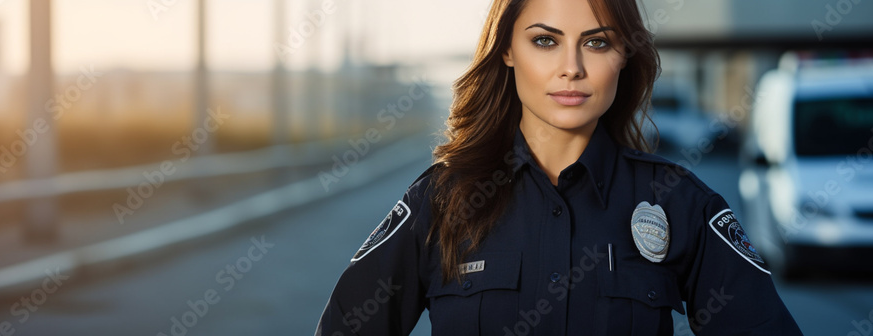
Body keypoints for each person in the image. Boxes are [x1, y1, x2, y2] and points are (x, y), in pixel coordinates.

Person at [316, 0, 803, 334]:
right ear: (507, 50)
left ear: (624, 55)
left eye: (596, 43)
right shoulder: (441, 202)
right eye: (545, 41)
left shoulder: (681, 205)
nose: (571, 67)